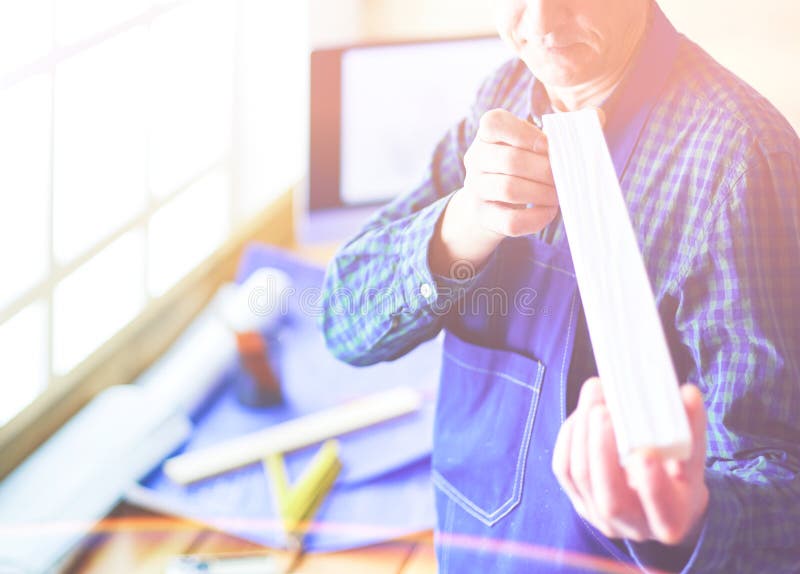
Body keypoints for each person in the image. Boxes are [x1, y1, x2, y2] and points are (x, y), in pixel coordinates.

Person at [320, 0, 800, 572]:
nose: (542, 25)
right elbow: (343, 318)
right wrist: (465, 220)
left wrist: (692, 519)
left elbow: (783, 485)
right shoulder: (504, 94)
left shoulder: (740, 160)